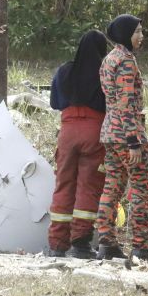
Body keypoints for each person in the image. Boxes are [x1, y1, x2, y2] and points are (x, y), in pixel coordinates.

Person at [94, 15, 148, 264]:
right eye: (137, 31)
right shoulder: (125, 61)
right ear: (126, 33)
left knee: (112, 187)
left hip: (109, 134)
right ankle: (141, 246)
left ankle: (106, 243)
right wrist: (134, 141)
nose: (141, 35)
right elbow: (126, 103)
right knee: (140, 189)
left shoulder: (109, 59)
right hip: (127, 135)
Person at [48, 29, 108, 259]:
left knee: (63, 185)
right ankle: (81, 243)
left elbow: (55, 102)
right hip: (95, 131)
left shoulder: (65, 70)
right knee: (88, 186)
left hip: (67, 131)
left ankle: (56, 243)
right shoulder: (104, 72)